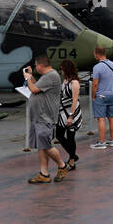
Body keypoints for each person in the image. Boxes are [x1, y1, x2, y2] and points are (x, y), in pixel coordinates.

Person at [22, 55, 66, 183]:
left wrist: (28, 78)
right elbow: (38, 86)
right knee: (41, 146)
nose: (35, 67)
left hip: (45, 117)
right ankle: (44, 174)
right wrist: (31, 76)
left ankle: (62, 165)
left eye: (36, 65)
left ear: (41, 65)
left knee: (46, 145)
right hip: (39, 116)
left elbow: (34, 89)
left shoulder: (51, 76)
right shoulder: (46, 77)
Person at [55, 59, 82, 173]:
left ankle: (71, 161)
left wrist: (71, 116)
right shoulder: (65, 81)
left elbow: (74, 100)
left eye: (62, 69)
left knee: (71, 137)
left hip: (72, 112)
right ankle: (73, 155)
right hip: (62, 112)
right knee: (59, 134)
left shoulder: (74, 83)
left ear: (66, 69)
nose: (61, 71)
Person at [90, 45, 113, 149]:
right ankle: (112, 140)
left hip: (101, 95)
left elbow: (95, 84)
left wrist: (93, 95)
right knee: (111, 118)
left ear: (97, 54)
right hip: (111, 94)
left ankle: (101, 142)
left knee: (101, 119)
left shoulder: (97, 67)